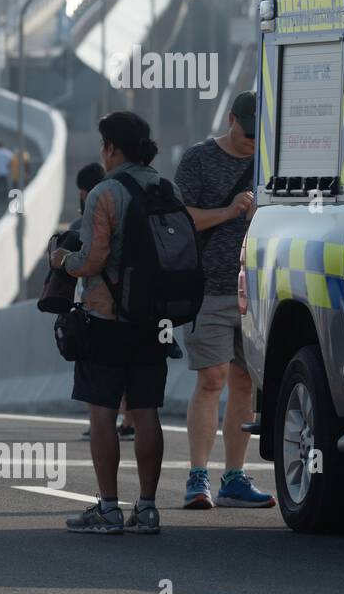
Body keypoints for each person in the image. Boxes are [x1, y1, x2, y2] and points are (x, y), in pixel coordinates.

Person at [49, 112, 173, 535]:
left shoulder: (105, 192)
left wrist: (63, 260)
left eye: (104, 144)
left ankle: (106, 507)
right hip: (154, 320)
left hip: (106, 319)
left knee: (102, 413)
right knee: (146, 412)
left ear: (112, 148)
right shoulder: (162, 185)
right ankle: (149, 507)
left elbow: (94, 259)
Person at [175, 90, 273, 510]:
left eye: (258, 135)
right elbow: (182, 221)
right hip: (208, 288)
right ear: (230, 119)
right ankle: (198, 476)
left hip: (255, 290)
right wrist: (231, 211)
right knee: (212, 377)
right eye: (246, 132)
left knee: (245, 381)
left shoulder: (271, 161)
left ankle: (234, 477)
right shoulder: (199, 159)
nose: (251, 141)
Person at [69, 161, 135, 444]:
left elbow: (87, 262)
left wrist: (64, 260)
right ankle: (130, 422)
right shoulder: (127, 204)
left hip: (99, 308)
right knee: (131, 366)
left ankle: (97, 423)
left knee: (95, 372)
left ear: (83, 192)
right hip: (136, 305)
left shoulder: (83, 221)